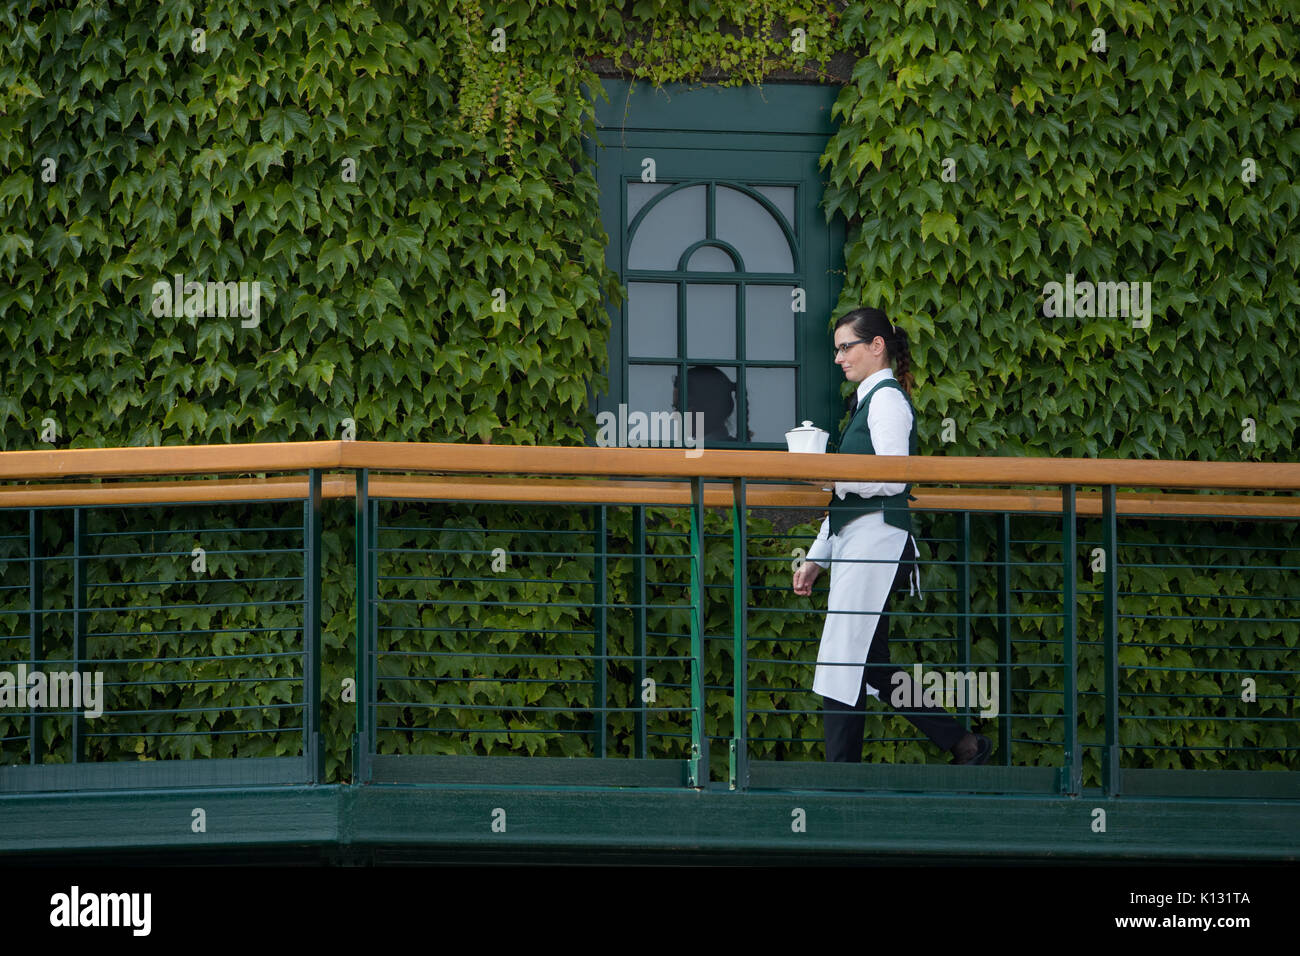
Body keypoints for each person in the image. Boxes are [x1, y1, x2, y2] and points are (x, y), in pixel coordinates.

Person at [791, 307, 991, 764]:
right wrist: (818, 558)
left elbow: (894, 477)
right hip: (862, 540)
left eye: (847, 347)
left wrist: (832, 479)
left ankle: (841, 778)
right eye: (837, 348)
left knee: (844, 657)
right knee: (871, 663)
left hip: (876, 541)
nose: (839, 357)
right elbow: (851, 493)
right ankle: (964, 744)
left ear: (876, 345)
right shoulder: (870, 400)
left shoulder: (886, 400)